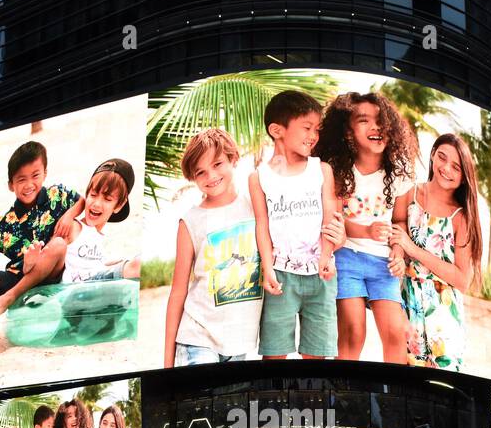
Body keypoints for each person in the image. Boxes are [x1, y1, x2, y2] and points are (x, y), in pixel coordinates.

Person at [316, 91, 413, 363]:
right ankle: (342, 394)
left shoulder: (399, 172)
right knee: (353, 332)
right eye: (364, 121)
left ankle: (392, 401)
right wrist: (365, 232)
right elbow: (333, 218)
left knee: (396, 334)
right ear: (348, 132)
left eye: (381, 120)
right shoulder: (336, 170)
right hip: (347, 256)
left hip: (383, 264)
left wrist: (397, 249)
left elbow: (400, 220)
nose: (375, 126)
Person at [249, 90, 339, 361]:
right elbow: (262, 225)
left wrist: (325, 255)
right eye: (306, 127)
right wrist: (267, 267)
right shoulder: (258, 178)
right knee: (274, 355)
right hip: (281, 276)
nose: (313, 135)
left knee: (317, 355)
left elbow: (330, 219)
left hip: (321, 278)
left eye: (316, 129)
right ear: (277, 130)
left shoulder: (321, 170)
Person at [164, 128, 263, 367]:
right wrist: (167, 365)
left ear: (233, 159)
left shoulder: (256, 206)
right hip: (197, 336)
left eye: (218, 164)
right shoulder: (190, 221)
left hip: (240, 343)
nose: (211, 176)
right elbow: (178, 292)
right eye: (201, 172)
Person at [391, 133, 482, 371]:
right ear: (432, 156)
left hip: (444, 314)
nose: (446, 169)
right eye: (442, 158)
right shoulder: (409, 193)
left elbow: (462, 280)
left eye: (456, 167)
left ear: (464, 178)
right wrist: (399, 251)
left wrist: (413, 249)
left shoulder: (460, 217)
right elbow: (398, 224)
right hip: (407, 303)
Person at [0, 140, 80, 312]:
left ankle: (11, 296)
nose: (29, 185)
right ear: (11, 185)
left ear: (45, 173)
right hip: (17, 277)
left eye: (35, 175)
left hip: (49, 275)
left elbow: (82, 201)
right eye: (21, 179)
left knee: (58, 244)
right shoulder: (5, 222)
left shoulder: (56, 194)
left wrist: (68, 216)